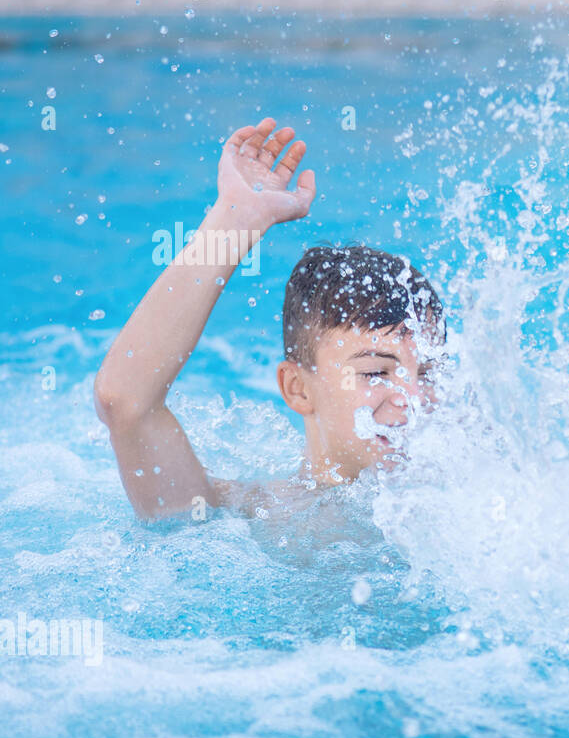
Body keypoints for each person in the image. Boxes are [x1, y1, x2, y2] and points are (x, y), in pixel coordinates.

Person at [94, 117, 444, 519]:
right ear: (297, 389)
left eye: (430, 374)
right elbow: (125, 402)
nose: (414, 398)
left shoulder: (485, 502)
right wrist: (234, 222)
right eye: (375, 373)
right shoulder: (250, 519)